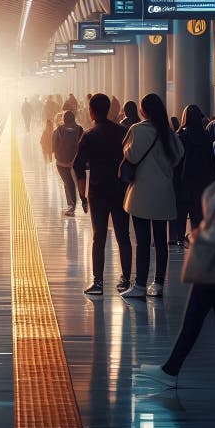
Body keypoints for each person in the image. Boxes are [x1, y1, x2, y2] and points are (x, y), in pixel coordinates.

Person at [139, 179, 215, 387]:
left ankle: (171, 370)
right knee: (194, 316)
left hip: (212, 262)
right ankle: (170, 369)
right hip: (211, 263)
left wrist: (200, 236)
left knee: (194, 316)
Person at [121, 93, 184, 298]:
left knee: (142, 241)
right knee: (160, 239)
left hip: (141, 193)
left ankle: (139, 285)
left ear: (143, 110)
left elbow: (129, 155)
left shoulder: (137, 130)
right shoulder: (170, 133)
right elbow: (177, 157)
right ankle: (158, 284)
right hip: (164, 193)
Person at [73, 93, 133, 295]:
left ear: (91, 110)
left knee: (99, 237)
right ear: (109, 109)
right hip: (120, 190)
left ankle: (98, 282)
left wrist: (82, 196)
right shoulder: (123, 132)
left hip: (98, 192)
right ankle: (125, 280)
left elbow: (78, 167)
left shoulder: (89, 136)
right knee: (123, 236)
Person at [173, 105, 215, 246]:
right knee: (197, 222)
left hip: (181, 186)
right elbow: (211, 164)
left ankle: (178, 243)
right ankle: (194, 247)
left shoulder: (180, 136)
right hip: (200, 188)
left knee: (179, 220)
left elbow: (175, 162)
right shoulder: (205, 137)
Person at [52, 110, 83, 216]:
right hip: (75, 162)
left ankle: (72, 206)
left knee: (68, 183)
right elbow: (83, 145)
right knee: (69, 183)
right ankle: (71, 205)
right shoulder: (79, 129)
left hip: (61, 162)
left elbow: (53, 146)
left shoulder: (58, 129)